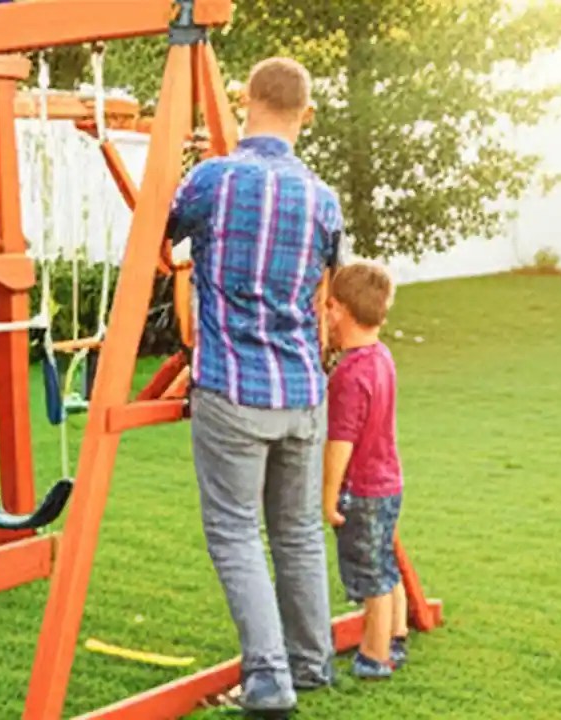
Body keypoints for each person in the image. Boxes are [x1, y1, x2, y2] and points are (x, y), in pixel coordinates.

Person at [167, 56, 344, 716]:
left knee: (237, 533)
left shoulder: (213, 179)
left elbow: (161, 236)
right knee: (296, 532)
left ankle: (268, 678)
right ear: (307, 114)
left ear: (246, 100)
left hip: (233, 387)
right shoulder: (323, 197)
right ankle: (312, 661)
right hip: (301, 390)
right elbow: (325, 286)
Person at [321, 259, 409, 680]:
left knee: (371, 574)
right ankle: (397, 634)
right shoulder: (381, 357)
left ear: (340, 309)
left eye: (327, 308)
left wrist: (327, 496)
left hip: (361, 489)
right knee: (384, 562)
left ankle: (375, 656)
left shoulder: (349, 375)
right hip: (389, 482)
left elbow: (341, 442)